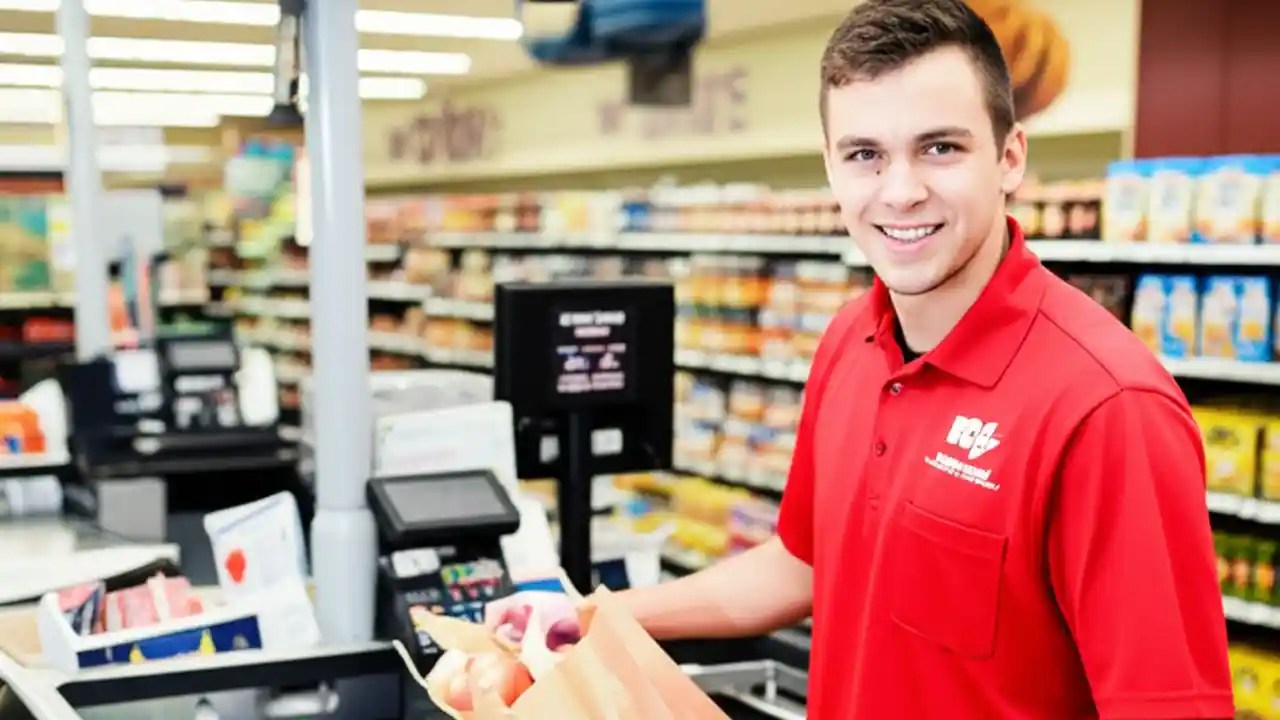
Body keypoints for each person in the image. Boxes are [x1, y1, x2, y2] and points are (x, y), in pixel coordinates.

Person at [488, 1, 1235, 717]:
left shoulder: (1108, 408)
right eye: (866, 155)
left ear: (1010, 158)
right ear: (831, 168)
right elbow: (803, 564)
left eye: (939, 148)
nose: (900, 191)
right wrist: (594, 616)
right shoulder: (851, 341)